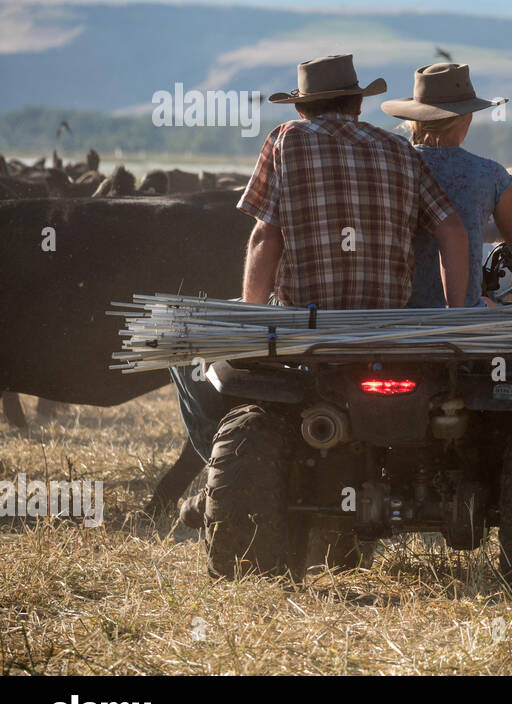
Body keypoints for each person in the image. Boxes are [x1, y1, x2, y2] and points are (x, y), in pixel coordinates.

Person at [173, 53, 468, 526]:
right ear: (356, 105)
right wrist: (457, 313)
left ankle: (218, 470)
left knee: (188, 355)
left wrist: (251, 320)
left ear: (301, 109)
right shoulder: (397, 150)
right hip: (384, 322)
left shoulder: (285, 140)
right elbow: (451, 228)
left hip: (307, 322)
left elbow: (266, 236)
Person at [381, 61, 512, 307]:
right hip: (463, 318)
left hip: (395, 313)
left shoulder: (391, 167)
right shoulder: (490, 175)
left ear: (415, 120)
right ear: (466, 118)